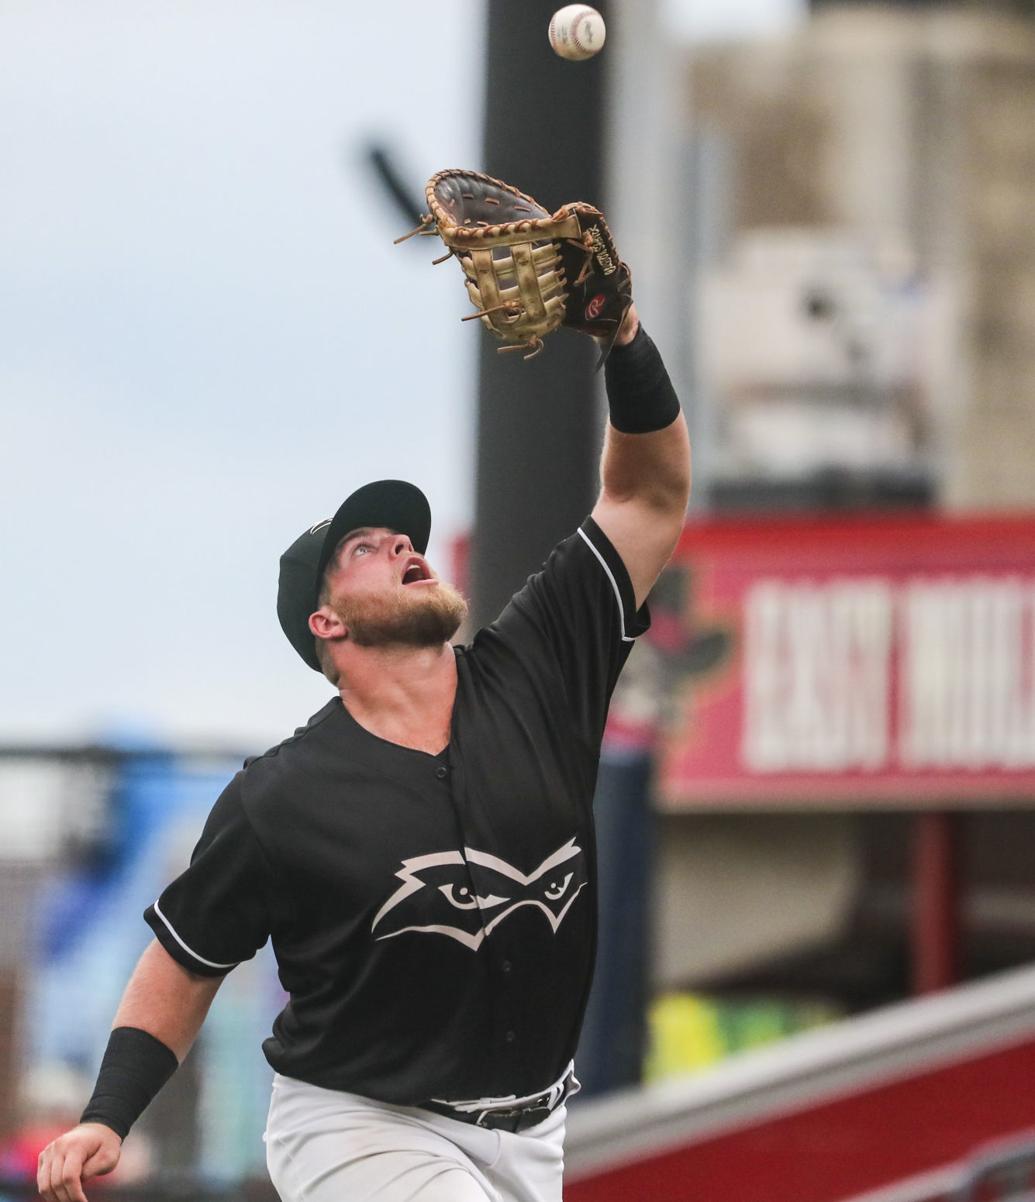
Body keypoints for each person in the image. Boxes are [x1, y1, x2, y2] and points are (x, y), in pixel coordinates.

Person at [37, 300, 690, 1202]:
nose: (401, 543)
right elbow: (187, 956)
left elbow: (646, 498)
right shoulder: (284, 796)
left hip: (534, 1132)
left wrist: (623, 342)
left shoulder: (541, 666)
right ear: (326, 622)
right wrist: (108, 1114)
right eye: (364, 547)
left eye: (403, 537)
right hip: (358, 1124)